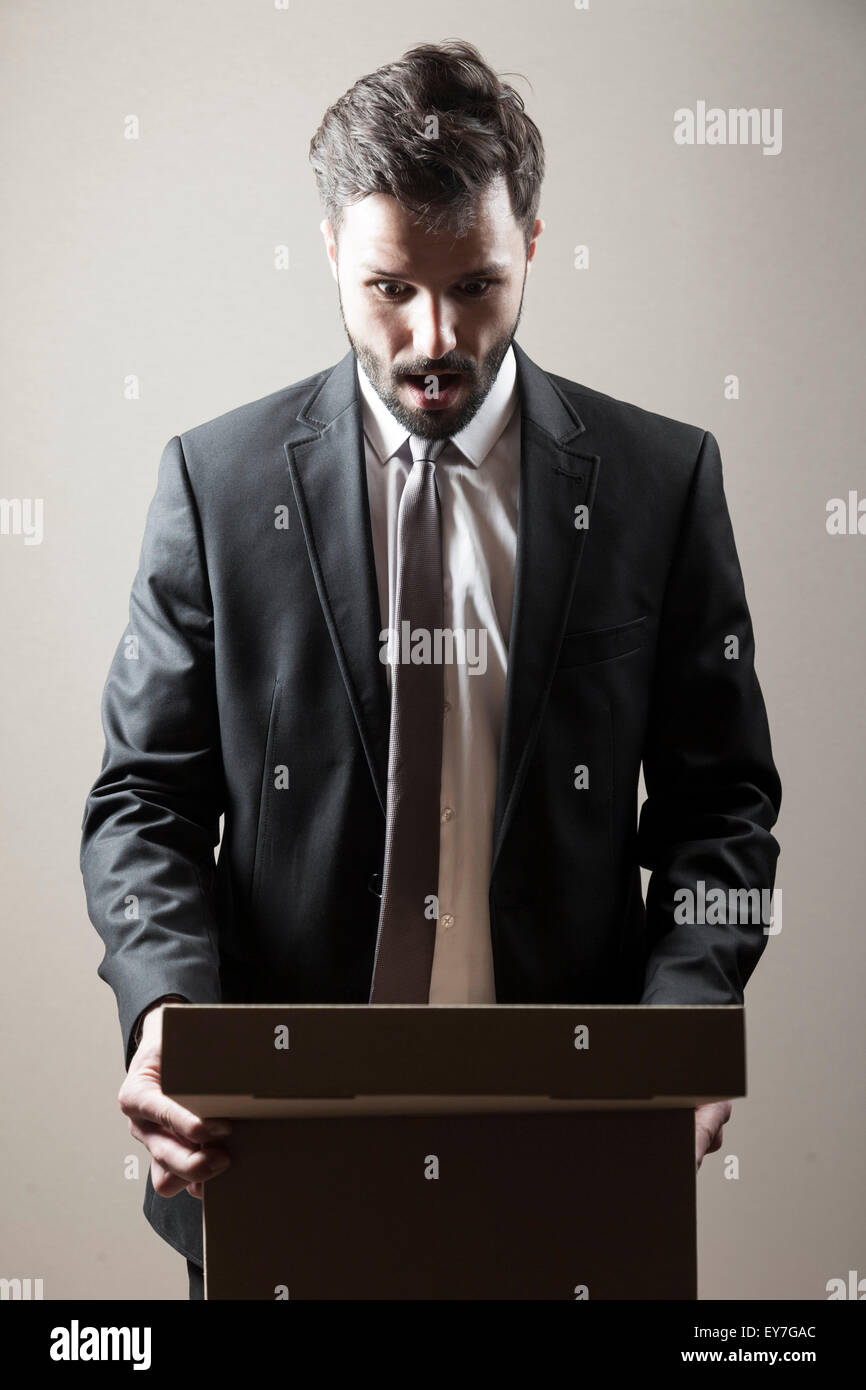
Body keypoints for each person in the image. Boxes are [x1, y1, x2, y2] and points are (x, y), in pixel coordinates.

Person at [80, 39, 781, 1300]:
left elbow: (719, 809)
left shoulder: (660, 486)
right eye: (390, 288)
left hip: (576, 1138)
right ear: (330, 260)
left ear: (534, 245)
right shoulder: (216, 483)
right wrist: (164, 1023)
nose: (435, 338)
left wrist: (680, 1033)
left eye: (477, 285)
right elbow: (146, 801)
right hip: (273, 1137)